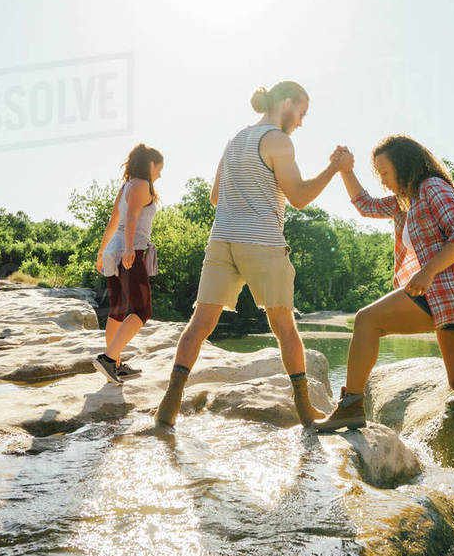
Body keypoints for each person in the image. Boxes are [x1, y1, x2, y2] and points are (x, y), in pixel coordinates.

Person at [314, 136, 454, 487]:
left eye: (385, 171)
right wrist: (345, 170)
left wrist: (427, 271)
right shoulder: (406, 201)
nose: (382, 179)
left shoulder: (432, 188)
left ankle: (351, 406)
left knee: (367, 321)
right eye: (378, 173)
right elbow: (365, 205)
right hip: (453, 297)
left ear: (404, 164)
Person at [154, 80, 344, 428]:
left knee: (199, 324)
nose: (301, 121)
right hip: (262, 241)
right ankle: (305, 410)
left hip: (222, 238)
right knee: (284, 327)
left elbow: (214, 198)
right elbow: (300, 197)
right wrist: (335, 168)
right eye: (301, 112)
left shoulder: (234, 140)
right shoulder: (277, 140)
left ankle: (169, 404)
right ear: (286, 103)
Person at [94, 143, 163, 383]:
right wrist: (130, 249)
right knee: (143, 310)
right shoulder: (142, 184)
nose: (160, 173)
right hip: (129, 252)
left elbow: (114, 220)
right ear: (150, 164)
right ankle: (109, 359)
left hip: (116, 250)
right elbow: (131, 217)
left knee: (118, 309)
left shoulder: (126, 186)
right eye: (159, 167)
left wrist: (102, 252)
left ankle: (117, 365)